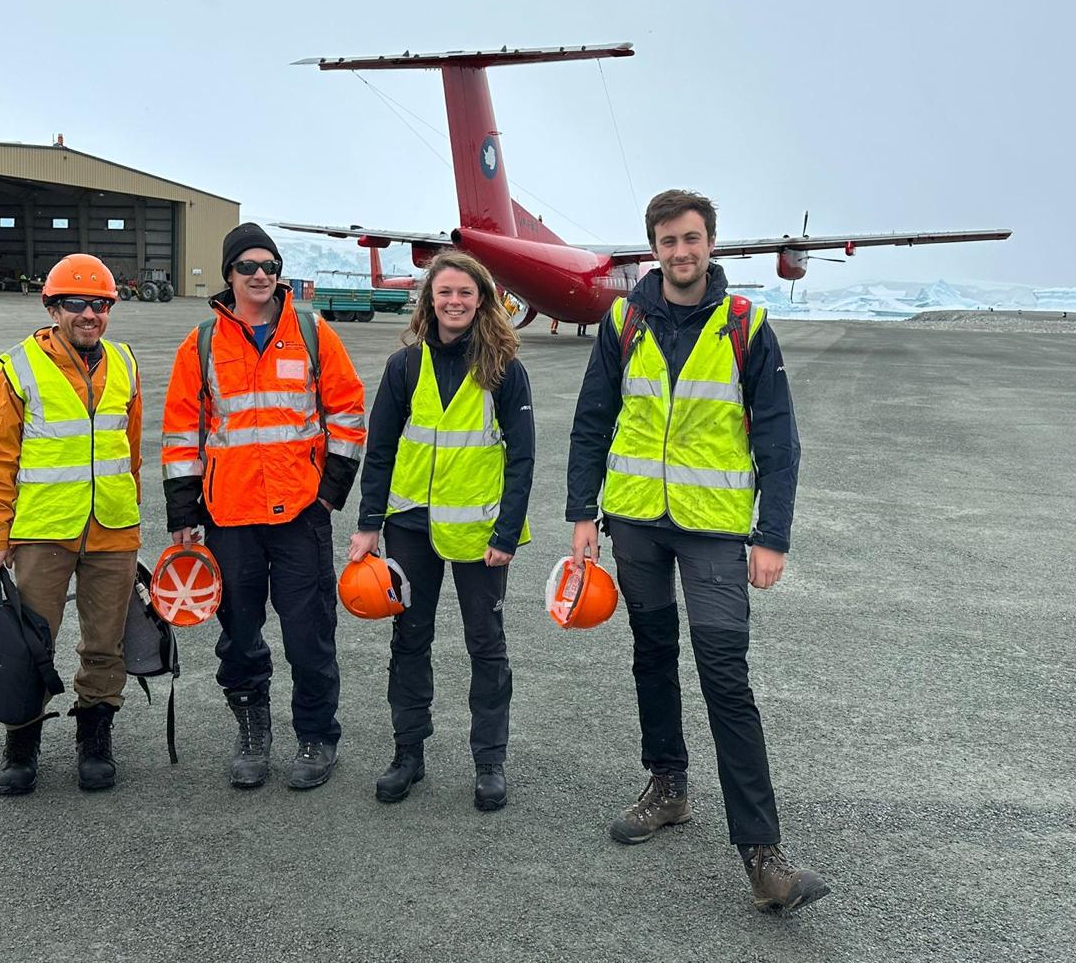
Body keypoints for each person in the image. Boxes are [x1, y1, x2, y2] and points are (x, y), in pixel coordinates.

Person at [566, 189, 830, 913]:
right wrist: (582, 513)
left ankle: (764, 856)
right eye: (667, 241)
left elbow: (778, 438)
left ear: (710, 243)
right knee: (651, 653)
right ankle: (669, 786)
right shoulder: (623, 320)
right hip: (637, 525)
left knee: (724, 677)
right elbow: (593, 420)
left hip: (714, 529)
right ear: (653, 247)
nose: (680, 252)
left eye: (692, 239)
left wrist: (772, 534)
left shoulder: (744, 326)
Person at [161, 223, 367, 791]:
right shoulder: (201, 343)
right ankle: (252, 729)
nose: (260, 276)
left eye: (269, 267)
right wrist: (183, 514)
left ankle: (317, 734)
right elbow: (182, 433)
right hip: (228, 516)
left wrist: (329, 492)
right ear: (229, 274)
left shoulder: (312, 333)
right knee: (239, 634)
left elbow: (348, 413)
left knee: (310, 632)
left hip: (300, 513)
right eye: (248, 266)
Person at [347, 252, 533, 811]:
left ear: (484, 301)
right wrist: (367, 525)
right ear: (429, 300)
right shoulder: (404, 367)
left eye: (465, 293)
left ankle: (489, 761)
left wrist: (505, 534)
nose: (454, 302)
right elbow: (378, 450)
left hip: (480, 535)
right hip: (409, 527)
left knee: (486, 646)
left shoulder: (504, 369)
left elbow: (523, 459)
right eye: (444, 292)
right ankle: (408, 753)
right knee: (409, 640)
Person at [0, 252, 142, 796]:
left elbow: (131, 452)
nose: (89, 314)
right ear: (52, 307)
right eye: (76, 303)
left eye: (100, 304)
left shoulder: (125, 364)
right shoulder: (20, 366)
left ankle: (94, 738)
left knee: (105, 644)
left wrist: (130, 514)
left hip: (112, 528)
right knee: (30, 645)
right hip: (44, 531)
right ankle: (21, 743)